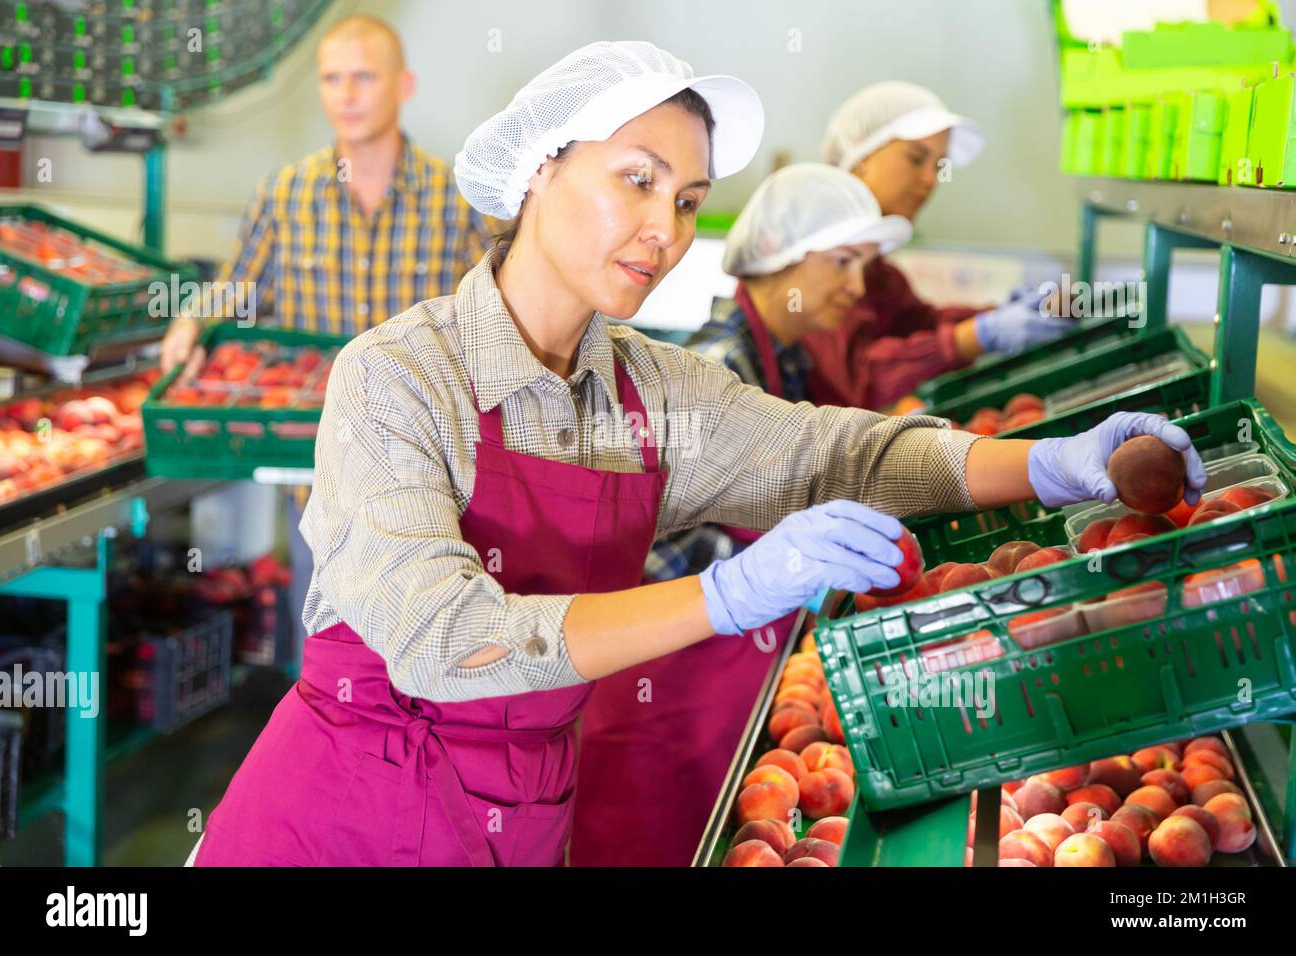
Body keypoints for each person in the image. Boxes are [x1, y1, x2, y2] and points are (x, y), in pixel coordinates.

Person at [189, 40, 1206, 867]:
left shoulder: (645, 385)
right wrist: (725, 596)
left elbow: (828, 451)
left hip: (527, 805)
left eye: (685, 199)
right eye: (634, 179)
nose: (662, 229)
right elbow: (441, 637)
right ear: (541, 168)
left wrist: (1042, 463)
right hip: (347, 815)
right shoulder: (398, 376)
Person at [571, 163, 912, 866]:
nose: (856, 287)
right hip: (656, 691)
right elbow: (633, 549)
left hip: (707, 688)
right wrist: (753, 568)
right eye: (843, 263)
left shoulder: (776, 361)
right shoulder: (719, 367)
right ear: (781, 258)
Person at [157, 14, 493, 667]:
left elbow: (503, 307)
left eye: (364, 77)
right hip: (321, 482)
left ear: (404, 85)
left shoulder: (457, 200)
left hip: (428, 478)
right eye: (332, 78)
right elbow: (238, 288)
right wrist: (191, 322)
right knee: (328, 662)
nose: (346, 94)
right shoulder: (287, 195)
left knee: (431, 657)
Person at [806, 81, 1074, 410]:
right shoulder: (819, 255)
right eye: (916, 159)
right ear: (861, 156)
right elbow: (857, 379)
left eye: (938, 166)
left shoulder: (879, 274)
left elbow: (918, 324)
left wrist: (998, 314)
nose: (930, 180)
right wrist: (978, 336)